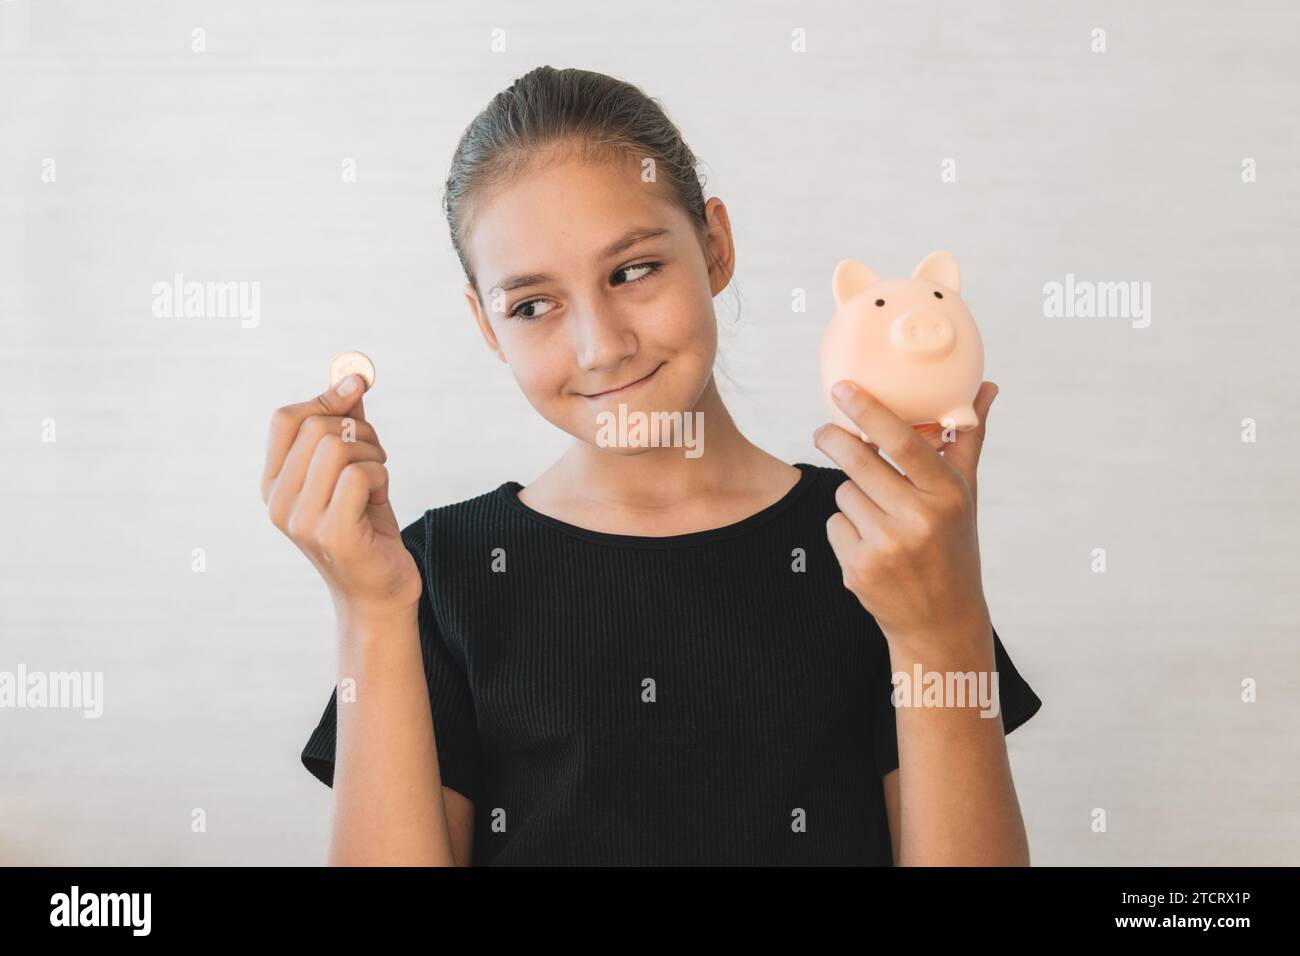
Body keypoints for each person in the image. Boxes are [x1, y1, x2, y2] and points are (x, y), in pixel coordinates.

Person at [262, 65, 1043, 866]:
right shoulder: (435, 578)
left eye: (632, 271)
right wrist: (371, 613)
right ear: (488, 326)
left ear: (715, 246)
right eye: (533, 305)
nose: (602, 346)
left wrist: (941, 626)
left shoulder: (882, 545)